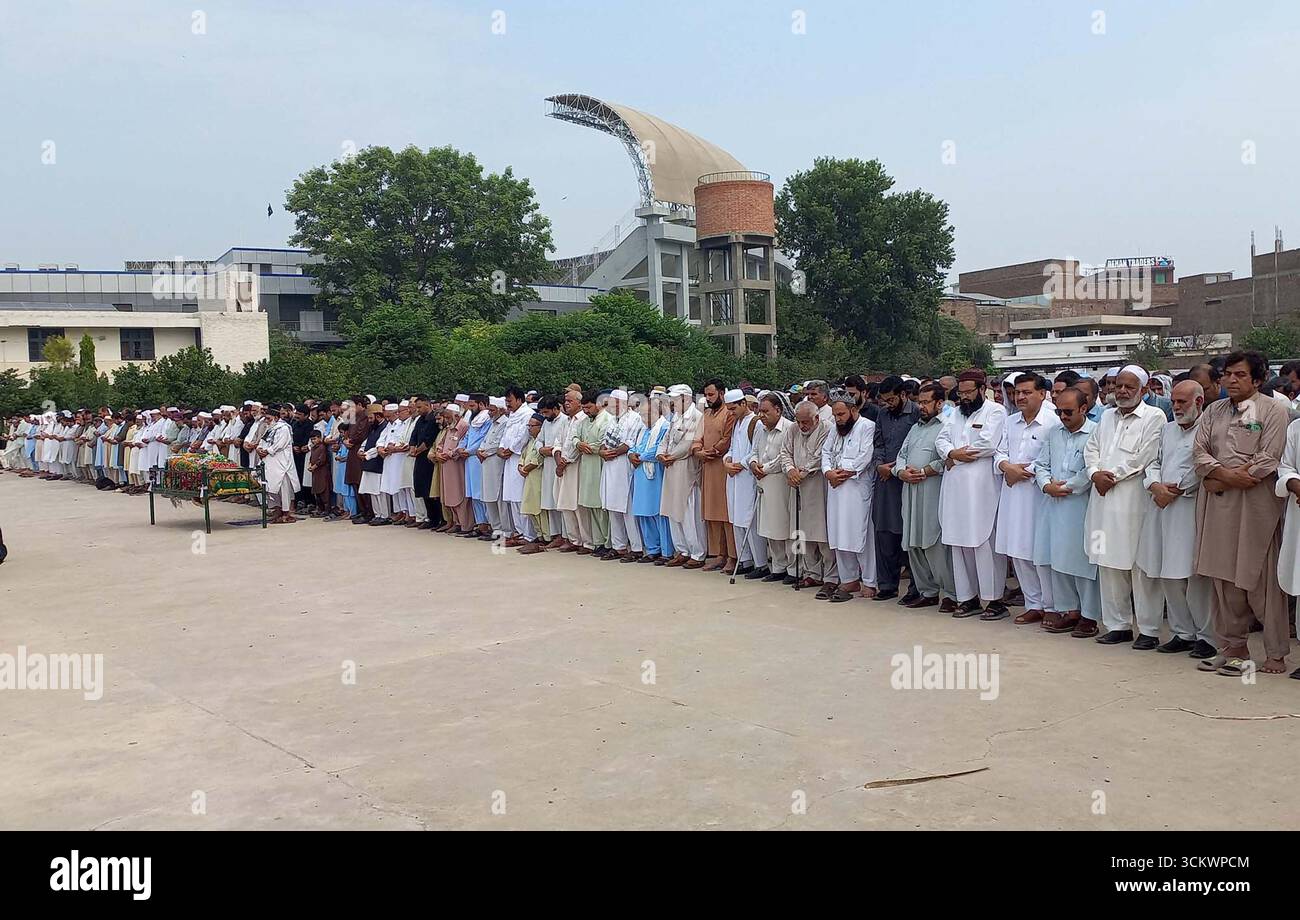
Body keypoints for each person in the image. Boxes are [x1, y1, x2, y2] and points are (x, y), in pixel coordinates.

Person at [1193, 350, 1291, 677]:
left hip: (1255, 507)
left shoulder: (1274, 411)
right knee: (1224, 581)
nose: (1231, 380)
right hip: (1219, 504)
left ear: (1258, 380)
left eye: (1240, 375)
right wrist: (1225, 474)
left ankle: (1276, 654)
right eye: (1227, 374)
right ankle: (1234, 650)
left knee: (1260, 581)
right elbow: (1200, 453)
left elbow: (1268, 459)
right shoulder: (1213, 410)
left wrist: (1223, 477)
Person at [1084, 365, 1168, 648]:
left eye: (1129, 387)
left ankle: (1149, 629)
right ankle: (1117, 625)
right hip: (1103, 500)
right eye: (1117, 385)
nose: (1121, 391)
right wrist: (1094, 473)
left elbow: (1145, 455)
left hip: (1134, 502)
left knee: (1139, 567)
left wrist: (1112, 476)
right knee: (1107, 564)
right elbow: (1091, 448)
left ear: (1143, 390)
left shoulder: (1154, 417)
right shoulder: (1106, 417)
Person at [1136, 379, 1216, 658]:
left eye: (1183, 402)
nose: (1177, 406)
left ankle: (1207, 637)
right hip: (1161, 506)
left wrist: (1177, 488)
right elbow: (1153, 462)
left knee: (1195, 577)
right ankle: (1183, 633)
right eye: (1174, 402)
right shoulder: (1167, 429)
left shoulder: (1209, 429)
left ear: (1199, 402)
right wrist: (1155, 485)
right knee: (1167, 573)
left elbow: (1203, 466)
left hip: (1189, 508)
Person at [937, 368, 1009, 618]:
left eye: (969, 392)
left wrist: (956, 455)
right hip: (955, 487)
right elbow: (941, 440)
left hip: (981, 489)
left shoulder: (996, 411)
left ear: (982, 389)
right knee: (958, 543)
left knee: (983, 543)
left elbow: (988, 444)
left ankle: (994, 600)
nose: (965, 397)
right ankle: (967, 598)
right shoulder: (953, 413)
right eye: (961, 392)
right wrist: (952, 453)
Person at [1032, 387, 1102, 637]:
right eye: (1059, 411)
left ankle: (1089, 616)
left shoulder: (1096, 433)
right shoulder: (1054, 433)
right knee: (1057, 559)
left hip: (1080, 505)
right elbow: (1041, 464)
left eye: (1068, 411)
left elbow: (1092, 469)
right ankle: (1069, 611)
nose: (1062, 416)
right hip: (1053, 504)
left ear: (1084, 409)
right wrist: (1045, 485)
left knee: (1082, 562)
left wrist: (1067, 487)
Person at [994, 373, 1061, 624]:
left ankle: (1052, 605)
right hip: (1013, 493)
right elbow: (998, 451)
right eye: (1017, 393)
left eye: (1026, 392)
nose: (1019, 397)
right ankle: (1033, 603)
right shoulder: (1010, 421)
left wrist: (1022, 471)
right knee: (1018, 549)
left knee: (1040, 551)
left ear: (1042, 394)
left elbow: (1052, 456)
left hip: (1038, 495)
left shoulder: (1053, 421)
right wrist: (1005, 466)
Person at [895, 382, 956, 611]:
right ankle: (927, 591)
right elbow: (902, 454)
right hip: (910, 491)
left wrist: (924, 471)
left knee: (934, 543)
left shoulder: (948, 426)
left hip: (932, 489)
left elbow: (947, 459)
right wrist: (902, 471)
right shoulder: (916, 427)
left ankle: (951, 593)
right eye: (919, 402)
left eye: (926, 402)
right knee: (913, 542)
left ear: (939, 403)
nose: (921, 406)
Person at [823, 393, 877, 602]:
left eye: (841, 414)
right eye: (835, 415)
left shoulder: (867, 427)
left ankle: (870, 581)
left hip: (856, 488)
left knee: (860, 535)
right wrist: (828, 472)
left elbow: (865, 456)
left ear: (854, 410)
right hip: (836, 488)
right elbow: (826, 452)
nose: (838, 419)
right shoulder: (835, 430)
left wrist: (842, 473)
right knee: (838, 534)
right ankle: (849, 579)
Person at [871, 375, 920, 602]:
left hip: (909, 479)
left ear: (903, 395)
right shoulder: (882, 414)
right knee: (884, 533)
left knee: (908, 533)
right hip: (884, 481)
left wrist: (898, 468)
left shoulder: (917, 413)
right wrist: (880, 464)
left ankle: (916, 588)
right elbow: (878, 443)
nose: (888, 404)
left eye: (891, 400)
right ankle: (887, 585)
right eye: (884, 400)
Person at [782, 398, 837, 593]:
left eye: (805, 422)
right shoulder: (793, 429)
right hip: (795, 485)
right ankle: (810, 573)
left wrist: (801, 473)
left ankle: (831, 576)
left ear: (816, 417)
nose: (801, 426)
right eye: (798, 421)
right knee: (801, 533)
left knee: (821, 534)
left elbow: (821, 455)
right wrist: (790, 470)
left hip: (817, 485)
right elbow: (785, 452)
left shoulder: (827, 428)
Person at [750, 392, 796, 585]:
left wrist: (764, 469)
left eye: (765, 411)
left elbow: (784, 456)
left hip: (780, 482)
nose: (761, 415)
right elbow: (753, 451)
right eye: (760, 411)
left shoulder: (789, 428)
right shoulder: (760, 429)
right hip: (763, 482)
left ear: (778, 410)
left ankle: (793, 569)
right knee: (768, 527)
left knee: (784, 527)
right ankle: (777, 567)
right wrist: (753, 464)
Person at [659, 384, 706, 568]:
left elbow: (688, 444)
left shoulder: (697, 417)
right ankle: (682, 550)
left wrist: (671, 456)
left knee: (688, 512)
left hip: (685, 469)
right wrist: (661, 454)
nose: (673, 403)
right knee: (673, 510)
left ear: (686, 398)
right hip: (670, 467)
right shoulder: (675, 417)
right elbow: (665, 439)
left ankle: (697, 552)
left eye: (676, 399)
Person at [695, 379, 737, 571]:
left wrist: (709, 452)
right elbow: (697, 438)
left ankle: (732, 556)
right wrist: (698, 451)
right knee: (712, 514)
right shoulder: (706, 413)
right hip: (708, 467)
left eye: (711, 394)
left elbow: (727, 439)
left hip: (722, 467)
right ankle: (718, 554)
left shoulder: (729, 413)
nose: (708, 398)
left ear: (721, 393)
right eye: (706, 395)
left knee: (725, 513)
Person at [600, 389, 646, 562]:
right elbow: (605, 441)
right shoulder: (612, 419)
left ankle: (636, 548)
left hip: (624, 467)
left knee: (627, 509)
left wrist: (614, 452)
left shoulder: (635, 418)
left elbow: (631, 442)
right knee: (612, 507)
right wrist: (603, 452)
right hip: (610, 467)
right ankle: (618, 547)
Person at [629, 390, 674, 564]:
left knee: (658, 514)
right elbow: (634, 445)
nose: (642, 418)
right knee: (643, 514)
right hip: (641, 475)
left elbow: (656, 450)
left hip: (655, 475)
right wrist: (632, 454)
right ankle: (652, 549)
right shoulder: (643, 429)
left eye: (646, 414)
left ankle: (666, 550)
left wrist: (638, 456)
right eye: (641, 415)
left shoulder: (663, 427)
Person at [723, 389, 762, 578]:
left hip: (747, 477)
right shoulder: (736, 422)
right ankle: (744, 560)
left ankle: (760, 562)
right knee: (736, 519)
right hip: (733, 476)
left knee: (749, 520)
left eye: (733, 409)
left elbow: (756, 450)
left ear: (743, 404)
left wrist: (740, 464)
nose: (731, 412)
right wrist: (727, 461)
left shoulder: (756, 422)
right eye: (729, 409)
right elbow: (731, 447)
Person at [574, 389, 613, 555]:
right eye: (583, 407)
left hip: (599, 465)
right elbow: (575, 436)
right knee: (590, 506)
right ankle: (598, 542)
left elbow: (602, 443)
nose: (585, 411)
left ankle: (608, 542)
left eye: (588, 407)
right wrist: (578, 444)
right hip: (587, 465)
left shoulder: (607, 419)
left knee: (601, 507)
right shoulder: (584, 420)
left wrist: (588, 447)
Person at [500, 385, 536, 546]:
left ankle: (528, 534)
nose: (508, 404)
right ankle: (519, 531)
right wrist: (501, 448)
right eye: (506, 401)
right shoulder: (512, 416)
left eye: (510, 401)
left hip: (519, 458)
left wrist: (511, 449)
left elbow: (524, 436)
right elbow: (505, 436)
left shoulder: (527, 414)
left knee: (521, 498)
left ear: (519, 400)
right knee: (512, 498)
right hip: (508, 460)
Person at [256, 405, 301, 524]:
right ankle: (277, 511)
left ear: (276, 417)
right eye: (266, 418)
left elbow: (279, 444)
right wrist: (259, 449)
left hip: (281, 463)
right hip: (269, 463)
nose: (266, 421)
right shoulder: (270, 428)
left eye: (269, 418)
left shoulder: (284, 428)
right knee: (270, 487)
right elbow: (262, 441)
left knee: (283, 488)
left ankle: (286, 513)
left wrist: (267, 451)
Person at [553, 388, 585, 552]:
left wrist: (565, 462)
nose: (566, 403)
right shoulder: (565, 420)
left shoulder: (583, 419)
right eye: (565, 401)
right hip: (562, 466)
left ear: (579, 402)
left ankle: (584, 541)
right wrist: (558, 459)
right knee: (564, 504)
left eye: (570, 401)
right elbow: (558, 442)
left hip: (575, 467)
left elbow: (577, 445)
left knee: (577, 505)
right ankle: (573, 539)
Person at [516, 412, 548, 554]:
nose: (529, 428)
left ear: (540, 427)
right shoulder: (530, 441)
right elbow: (523, 456)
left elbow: (538, 459)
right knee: (530, 509)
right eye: (528, 425)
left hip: (537, 477)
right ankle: (538, 536)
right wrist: (520, 466)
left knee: (538, 509)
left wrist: (526, 468)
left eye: (532, 425)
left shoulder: (541, 441)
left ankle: (546, 537)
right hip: (528, 477)